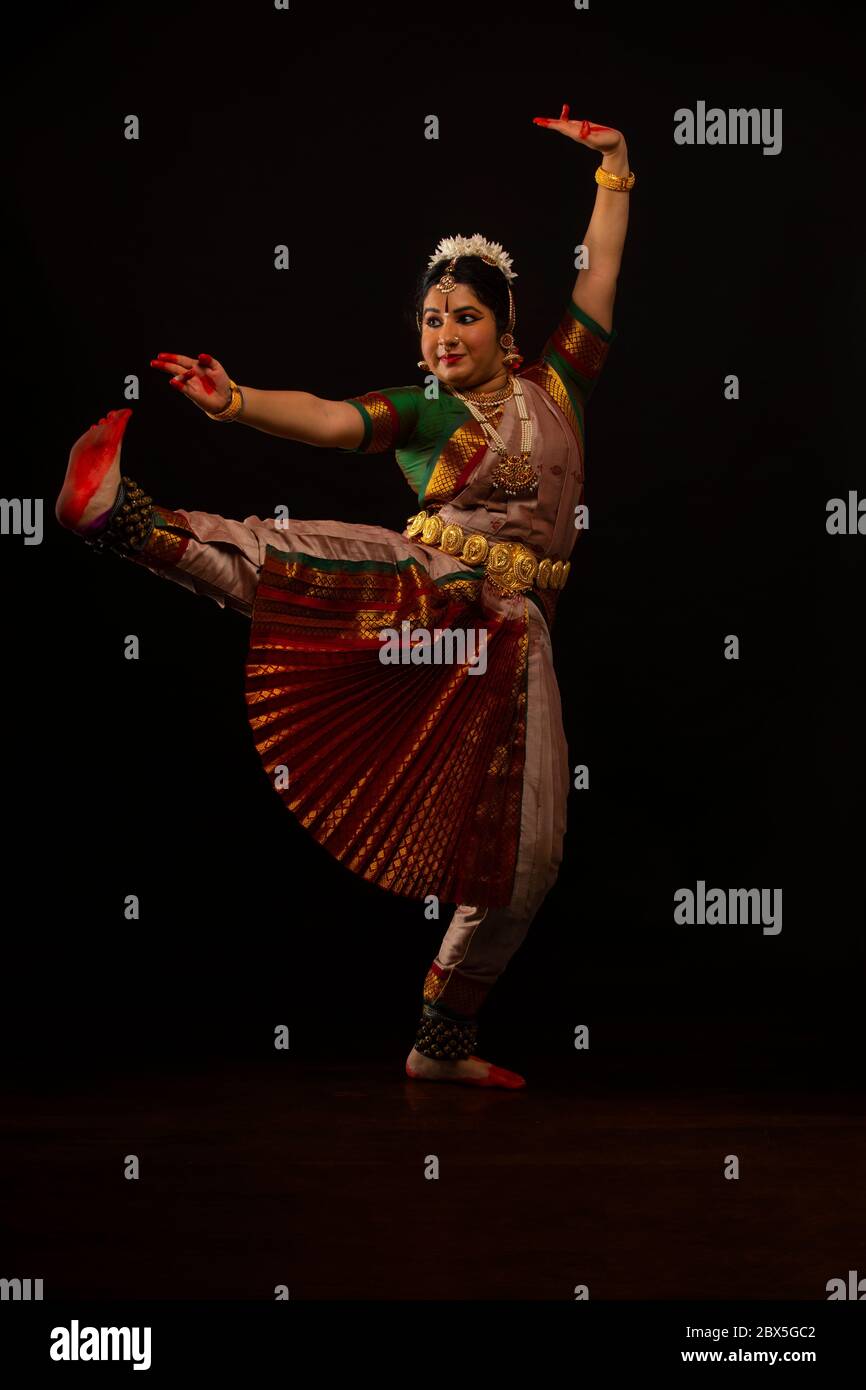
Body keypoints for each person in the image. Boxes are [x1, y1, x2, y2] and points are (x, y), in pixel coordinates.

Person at [55, 108, 632, 1089]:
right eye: (431, 317)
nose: (443, 332)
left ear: (505, 329)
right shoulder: (426, 413)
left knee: (528, 855)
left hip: (511, 644)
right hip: (432, 594)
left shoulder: (558, 387)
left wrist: (614, 172)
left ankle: (440, 1039)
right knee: (302, 566)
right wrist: (235, 401)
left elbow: (599, 278)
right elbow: (328, 422)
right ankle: (123, 519)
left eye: (464, 316)